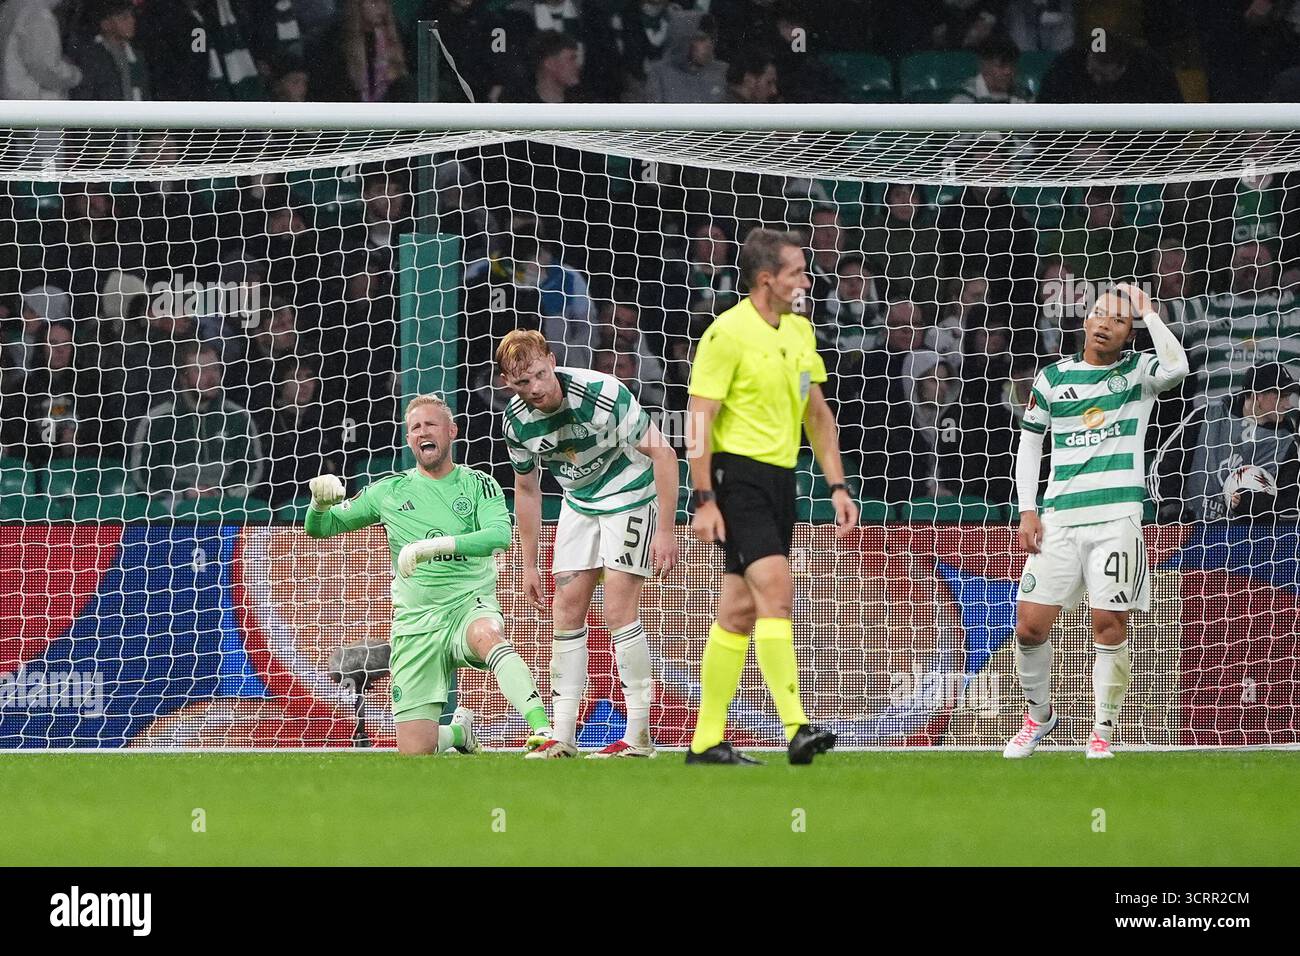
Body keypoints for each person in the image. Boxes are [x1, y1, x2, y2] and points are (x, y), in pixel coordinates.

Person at [685, 227, 860, 766]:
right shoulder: (726, 334)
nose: (806, 281)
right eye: (797, 273)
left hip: (782, 480)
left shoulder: (800, 333)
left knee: (738, 610)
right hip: (736, 480)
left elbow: (818, 414)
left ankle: (706, 742)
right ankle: (797, 727)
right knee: (776, 592)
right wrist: (703, 498)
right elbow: (698, 421)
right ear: (767, 279)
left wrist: (837, 484)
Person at [304, 393, 556, 756]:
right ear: (409, 439)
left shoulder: (478, 483)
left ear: (451, 431)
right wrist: (319, 503)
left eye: (431, 424)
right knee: (415, 750)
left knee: (489, 635)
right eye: (416, 427)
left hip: (467, 606)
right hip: (416, 625)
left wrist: (431, 547)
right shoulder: (389, 492)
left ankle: (543, 731)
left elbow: (499, 535)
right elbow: (321, 528)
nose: (424, 431)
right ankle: (458, 734)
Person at [1008, 283, 1188, 760]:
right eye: (1101, 314)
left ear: (1130, 335)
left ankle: (1102, 733)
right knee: (1029, 627)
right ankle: (1039, 715)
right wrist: (1028, 508)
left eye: (1120, 320)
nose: (1107, 323)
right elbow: (1030, 443)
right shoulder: (1051, 379)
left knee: (1108, 623)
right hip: (1060, 519)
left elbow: (1177, 368)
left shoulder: (1137, 374)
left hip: (1117, 518)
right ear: (1086, 320)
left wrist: (1150, 312)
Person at [498, 329, 681, 758]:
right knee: (566, 608)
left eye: (541, 375)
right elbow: (527, 490)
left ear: (552, 359)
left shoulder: (602, 393)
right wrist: (529, 564)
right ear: (509, 383)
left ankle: (638, 735)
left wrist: (668, 531)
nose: (536, 388)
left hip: (629, 494)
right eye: (523, 383)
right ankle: (562, 736)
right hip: (578, 502)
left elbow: (664, 454)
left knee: (617, 610)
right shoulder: (516, 423)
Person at [127, 341, 266, 506]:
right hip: (172, 506)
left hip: (226, 503)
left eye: (215, 369)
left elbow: (252, 468)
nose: (211, 377)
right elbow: (143, 475)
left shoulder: (238, 417)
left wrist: (221, 492)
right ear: (183, 376)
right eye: (201, 370)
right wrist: (186, 492)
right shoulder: (157, 420)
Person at [1165, 362, 1300, 523]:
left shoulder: (1287, 444)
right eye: (1281, 396)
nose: (1288, 404)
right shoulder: (1207, 417)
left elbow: (1292, 509)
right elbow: (1163, 468)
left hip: (1251, 541)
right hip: (1193, 533)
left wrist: (1260, 507)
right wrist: (1170, 506)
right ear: (1258, 396)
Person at [69, 0, 150, 102]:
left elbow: (142, 93)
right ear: (105, 24)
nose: (132, 20)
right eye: (124, 18)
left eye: (132, 15)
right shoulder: (91, 57)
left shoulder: (136, 57)